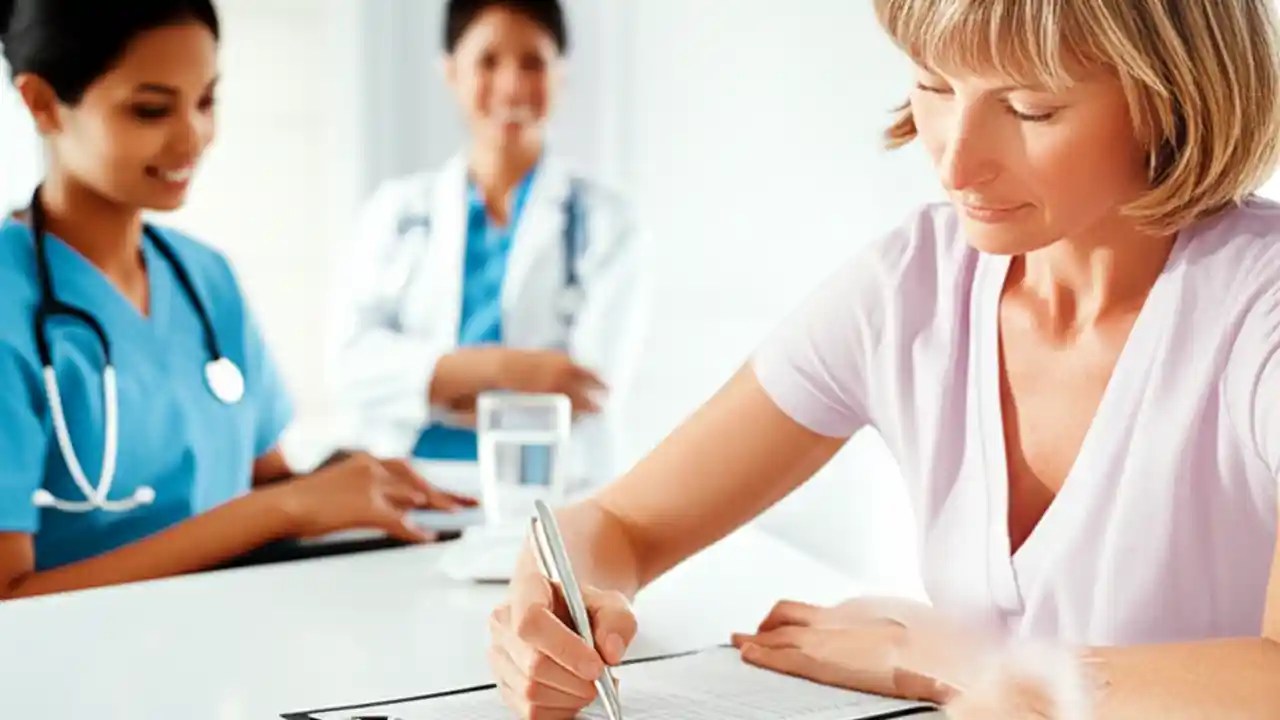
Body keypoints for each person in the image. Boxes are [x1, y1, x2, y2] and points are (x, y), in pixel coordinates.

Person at [487, 0, 1280, 717]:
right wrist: (548, 607)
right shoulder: (914, 287)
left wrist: (974, 664)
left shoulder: (1259, 315)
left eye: (1030, 107)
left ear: (1168, 100)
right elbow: (623, 522)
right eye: (935, 87)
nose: (956, 163)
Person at [0, 0, 473, 600]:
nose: (192, 136)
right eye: (151, 109)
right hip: (69, 678)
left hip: (233, 653)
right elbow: (7, 595)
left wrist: (348, 480)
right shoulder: (10, 305)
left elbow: (265, 481)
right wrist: (285, 509)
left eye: (206, 101)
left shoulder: (205, 278)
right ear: (42, 102)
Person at [331, 0, 645, 488]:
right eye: (488, 61)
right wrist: (510, 368)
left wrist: (438, 385)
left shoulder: (608, 220)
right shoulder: (395, 212)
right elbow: (353, 368)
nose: (512, 86)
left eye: (533, 62)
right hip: (411, 485)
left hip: (555, 487)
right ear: (450, 71)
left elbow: (588, 388)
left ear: (562, 73)